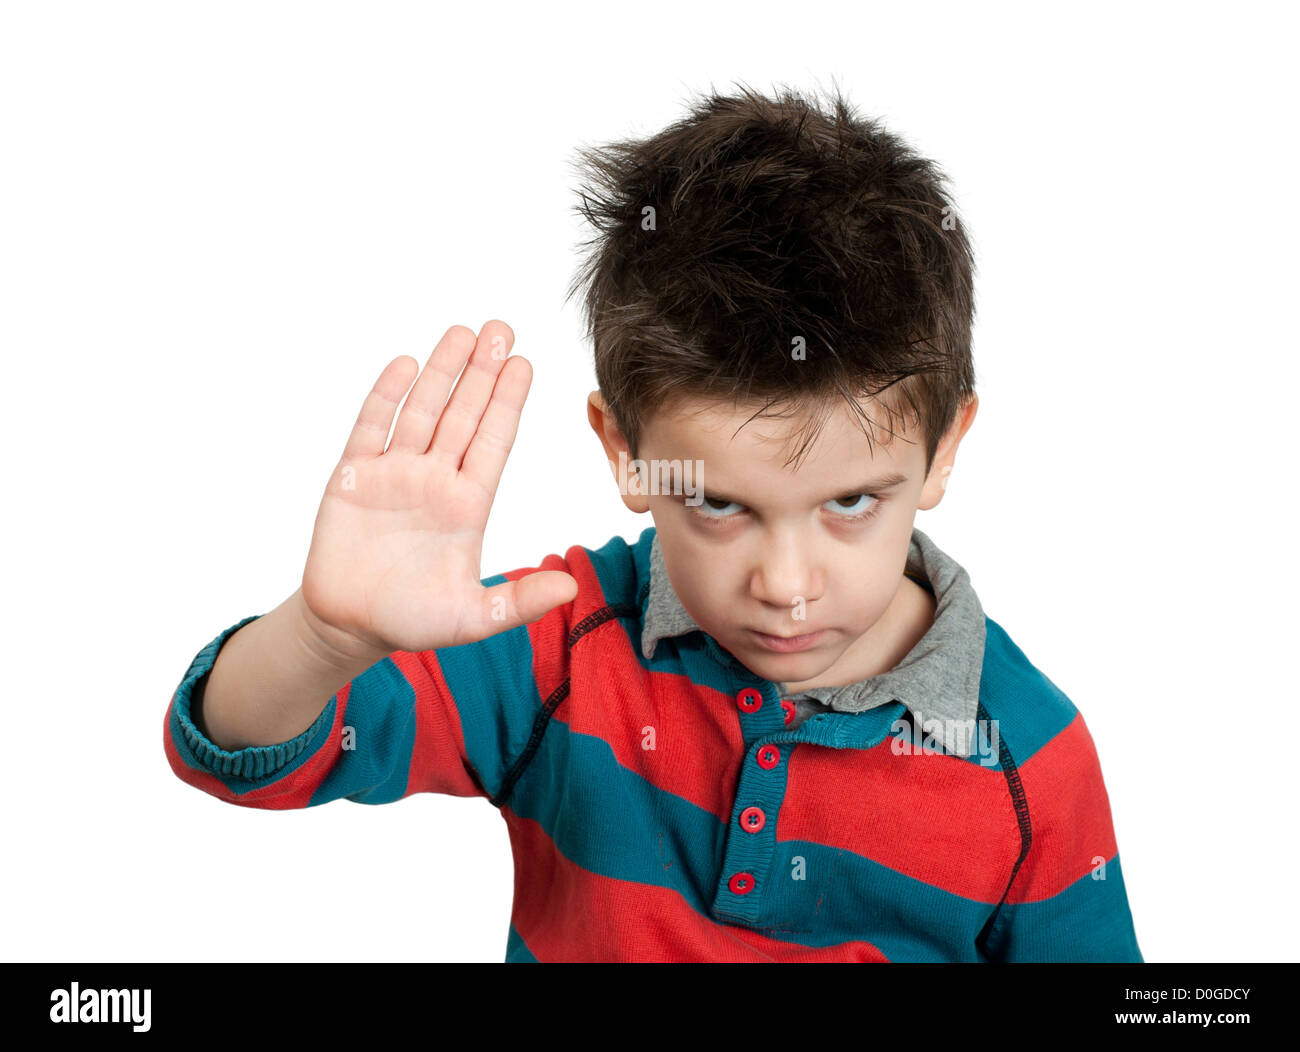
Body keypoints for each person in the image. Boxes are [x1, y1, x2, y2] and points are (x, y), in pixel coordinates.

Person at [164, 83, 1142, 962]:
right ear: (625, 449)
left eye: (850, 502)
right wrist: (325, 636)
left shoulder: (1026, 756)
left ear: (943, 447)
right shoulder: (560, 646)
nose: (786, 583)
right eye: (719, 502)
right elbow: (242, 749)